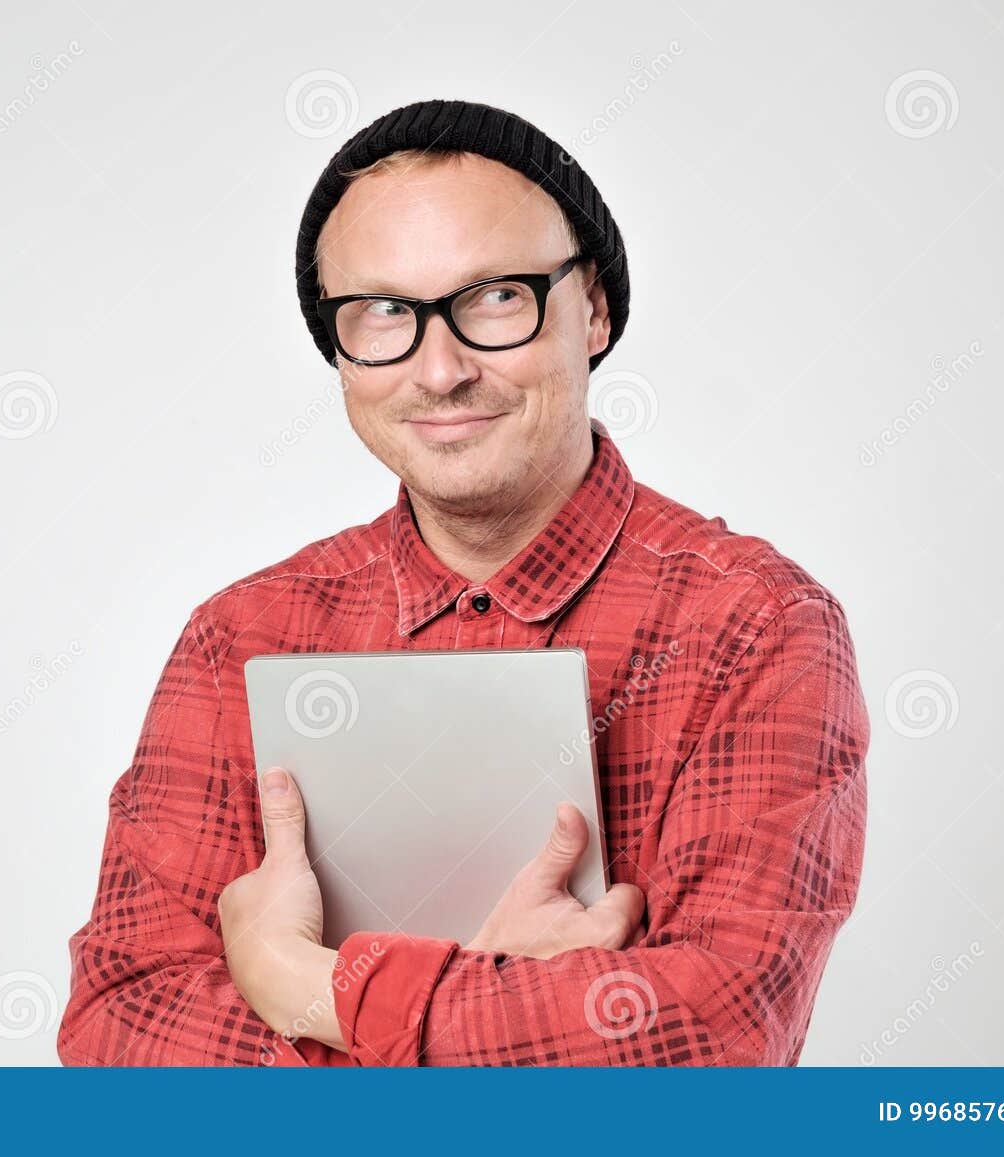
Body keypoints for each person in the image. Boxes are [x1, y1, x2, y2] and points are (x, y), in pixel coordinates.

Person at [58, 98, 870, 1067]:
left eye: (494, 297)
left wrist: (309, 986)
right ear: (339, 346)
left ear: (595, 308)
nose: (438, 370)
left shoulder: (755, 625)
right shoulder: (241, 637)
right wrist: (470, 1001)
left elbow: (707, 1044)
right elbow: (119, 1031)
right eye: (384, 313)